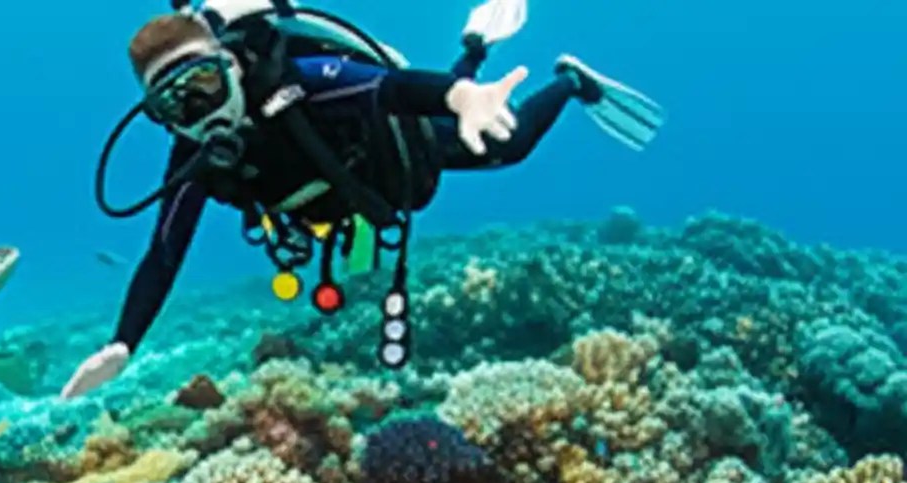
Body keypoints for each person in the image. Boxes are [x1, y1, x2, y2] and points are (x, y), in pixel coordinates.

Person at [61, 0, 663, 398]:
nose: (201, 111)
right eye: (175, 104)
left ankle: (566, 78)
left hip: (392, 155)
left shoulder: (297, 83)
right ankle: (474, 48)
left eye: (205, 84)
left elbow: (395, 88)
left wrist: (460, 96)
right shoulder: (191, 161)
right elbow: (163, 255)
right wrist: (123, 342)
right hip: (340, 200)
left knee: (509, 145)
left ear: (232, 67)